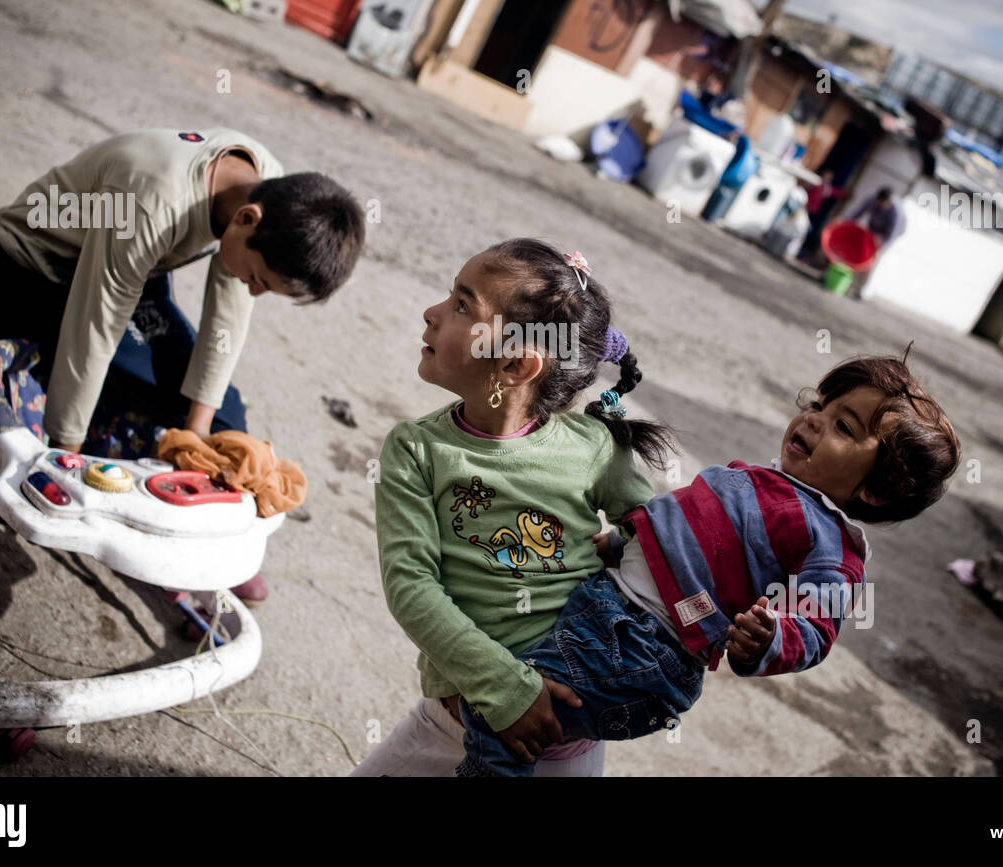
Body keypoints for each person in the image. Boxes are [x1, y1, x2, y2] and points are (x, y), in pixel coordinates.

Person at [0, 127, 366, 600]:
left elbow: (226, 322)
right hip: (21, 270)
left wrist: (191, 439)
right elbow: (94, 326)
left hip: (129, 280)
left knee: (223, 419)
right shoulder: (155, 195)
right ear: (247, 219)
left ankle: (193, 552)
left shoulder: (269, 185)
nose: (254, 290)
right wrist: (63, 462)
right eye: (258, 279)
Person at [455, 343, 961, 776]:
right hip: (608, 613)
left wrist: (769, 639)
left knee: (503, 705)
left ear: (873, 491)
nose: (812, 419)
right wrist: (624, 543)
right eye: (820, 404)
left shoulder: (830, 541)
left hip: (643, 650)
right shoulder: (762, 480)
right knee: (515, 698)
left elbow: (816, 629)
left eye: (844, 428)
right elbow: (686, 528)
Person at [355, 239, 675, 776]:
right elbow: (411, 586)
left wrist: (622, 548)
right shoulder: (418, 449)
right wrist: (509, 691)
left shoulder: (594, 448)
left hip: (565, 740)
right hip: (453, 721)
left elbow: (665, 543)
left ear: (515, 365)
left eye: (462, 305)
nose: (431, 313)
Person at [796, 169, 848, 263]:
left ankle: (800, 250)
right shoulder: (815, 182)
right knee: (802, 228)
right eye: (827, 176)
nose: (828, 178)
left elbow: (834, 192)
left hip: (813, 212)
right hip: (805, 208)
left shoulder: (825, 187)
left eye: (830, 177)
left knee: (807, 230)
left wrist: (844, 194)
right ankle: (797, 250)